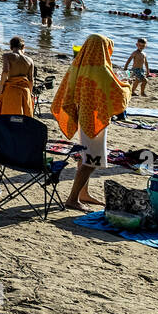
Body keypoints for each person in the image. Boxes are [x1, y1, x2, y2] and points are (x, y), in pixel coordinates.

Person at [50, 34, 129, 211]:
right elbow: (118, 95)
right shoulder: (101, 69)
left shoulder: (77, 66)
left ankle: (83, 193)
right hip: (93, 119)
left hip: (81, 116)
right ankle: (72, 199)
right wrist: (127, 86)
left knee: (86, 155)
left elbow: (67, 91)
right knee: (92, 160)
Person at [0, 36, 35, 116]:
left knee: (7, 118)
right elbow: (31, 80)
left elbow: (5, 72)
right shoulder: (30, 60)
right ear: (23, 47)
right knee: (24, 118)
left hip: (11, 90)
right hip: (25, 91)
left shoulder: (7, 56)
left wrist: (1, 89)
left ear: (11, 46)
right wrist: (30, 93)